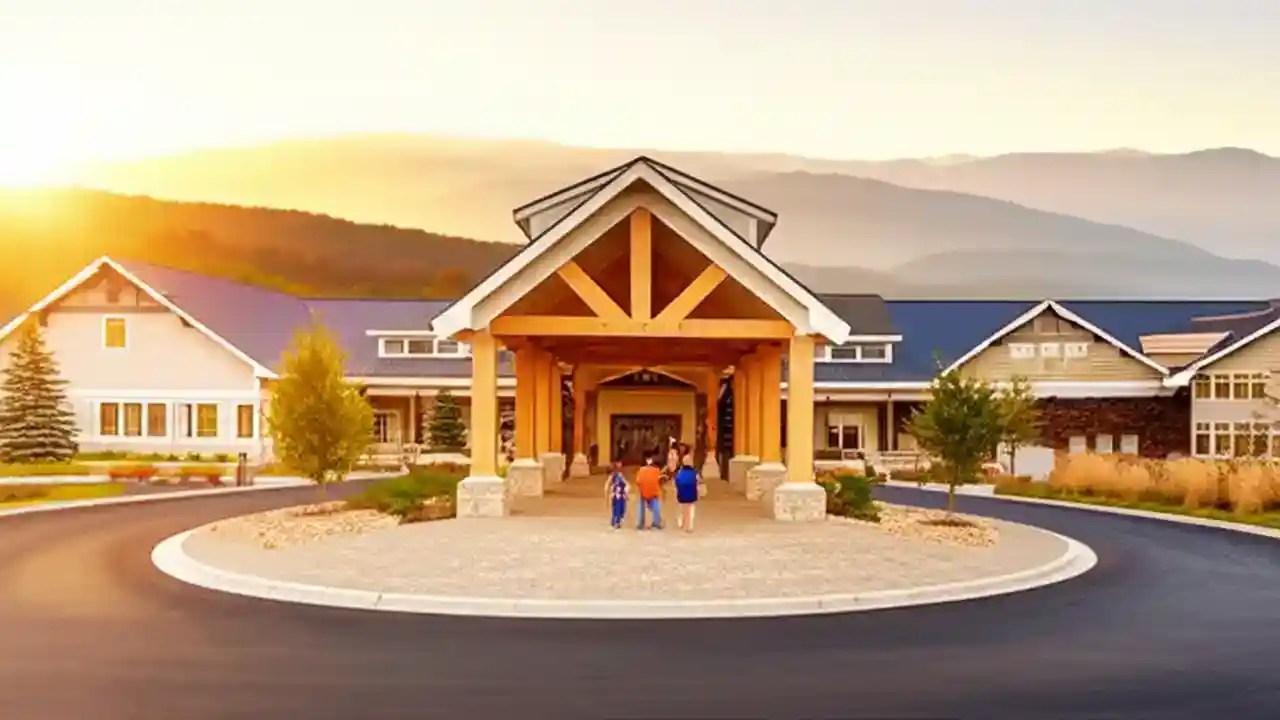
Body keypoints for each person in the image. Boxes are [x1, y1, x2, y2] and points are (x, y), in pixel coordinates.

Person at [635, 455, 664, 530]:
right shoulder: (656, 470)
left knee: (641, 506)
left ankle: (640, 523)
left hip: (643, 490)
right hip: (653, 491)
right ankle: (657, 522)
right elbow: (659, 480)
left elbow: (638, 481)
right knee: (655, 505)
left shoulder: (641, 470)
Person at [673, 453, 701, 533]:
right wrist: (698, 494)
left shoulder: (679, 472)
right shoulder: (695, 473)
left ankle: (682, 522)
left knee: (682, 509)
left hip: (681, 495)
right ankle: (689, 525)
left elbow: (676, 484)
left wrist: (675, 494)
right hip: (692, 495)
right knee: (690, 509)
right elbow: (697, 485)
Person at [603, 461, 628, 529]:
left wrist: (626, 491)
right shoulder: (613, 475)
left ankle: (615, 522)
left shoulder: (619, 475)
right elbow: (607, 485)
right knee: (617, 509)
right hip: (617, 495)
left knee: (618, 509)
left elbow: (625, 483)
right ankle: (616, 522)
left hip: (619, 494)